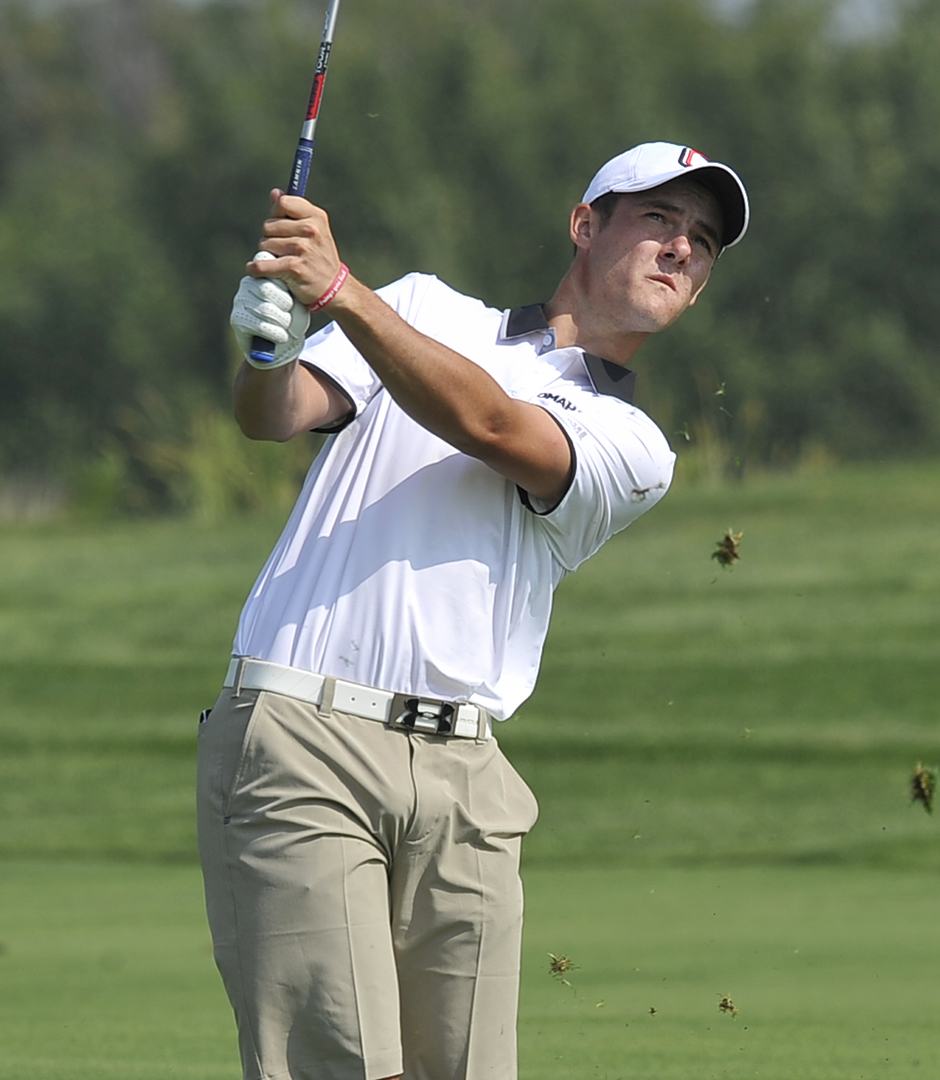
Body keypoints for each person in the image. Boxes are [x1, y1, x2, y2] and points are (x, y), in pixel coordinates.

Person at [199, 142, 750, 1080]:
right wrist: (271, 344)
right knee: (342, 1066)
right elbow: (273, 414)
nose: (680, 249)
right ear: (586, 224)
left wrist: (339, 293)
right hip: (301, 742)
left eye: (701, 242)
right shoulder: (422, 308)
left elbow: (492, 427)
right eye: (658, 219)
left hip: (468, 780)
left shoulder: (634, 444)